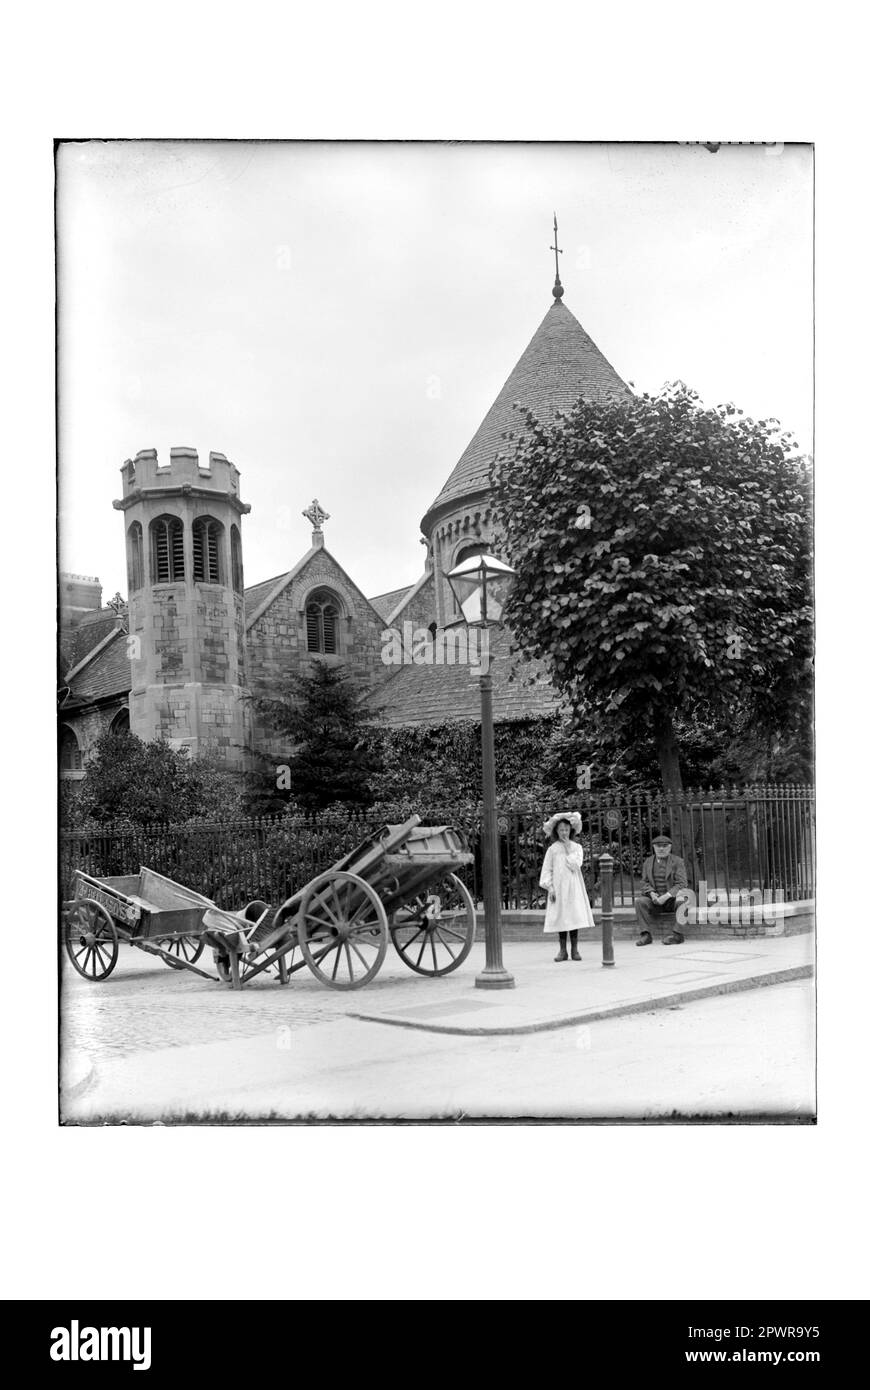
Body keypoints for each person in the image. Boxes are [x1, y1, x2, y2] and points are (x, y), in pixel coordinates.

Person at [539, 812, 595, 962]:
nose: (564, 832)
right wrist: (550, 887)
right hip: (558, 887)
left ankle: (575, 949)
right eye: (561, 829)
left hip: (573, 886)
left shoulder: (577, 847)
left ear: (571, 830)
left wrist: (568, 847)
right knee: (561, 916)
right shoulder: (553, 849)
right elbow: (547, 869)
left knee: (573, 915)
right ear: (556, 831)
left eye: (566, 829)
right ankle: (562, 950)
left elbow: (576, 865)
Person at [635, 833, 689, 946]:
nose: (661, 848)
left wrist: (666, 896)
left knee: (684, 901)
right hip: (655, 901)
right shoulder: (648, 862)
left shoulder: (678, 861)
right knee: (640, 902)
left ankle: (678, 935)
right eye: (658, 846)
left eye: (664, 846)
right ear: (654, 847)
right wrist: (651, 894)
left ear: (670, 847)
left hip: (671, 900)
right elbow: (644, 882)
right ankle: (646, 935)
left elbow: (682, 883)